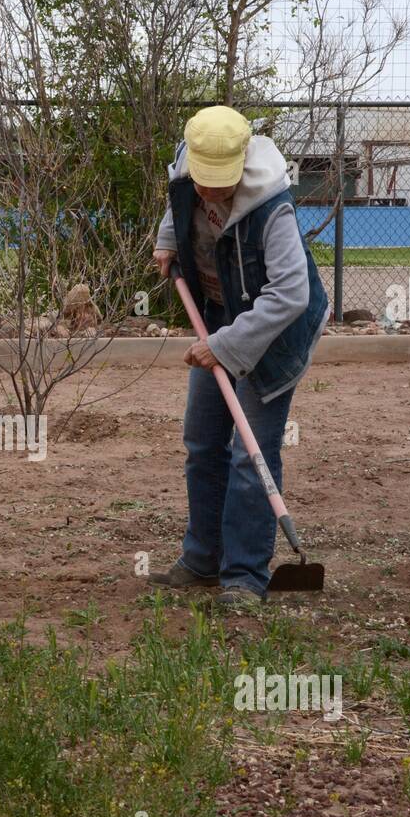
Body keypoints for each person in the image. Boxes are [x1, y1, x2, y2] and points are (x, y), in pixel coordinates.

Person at [150, 105, 329, 609]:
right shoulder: (190, 164)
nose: (210, 193)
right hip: (220, 314)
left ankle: (245, 577)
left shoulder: (273, 207)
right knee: (203, 442)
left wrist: (223, 346)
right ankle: (205, 558)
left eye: (219, 184)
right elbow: (179, 201)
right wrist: (169, 241)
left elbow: (290, 294)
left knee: (250, 452)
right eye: (204, 181)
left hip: (274, 336)